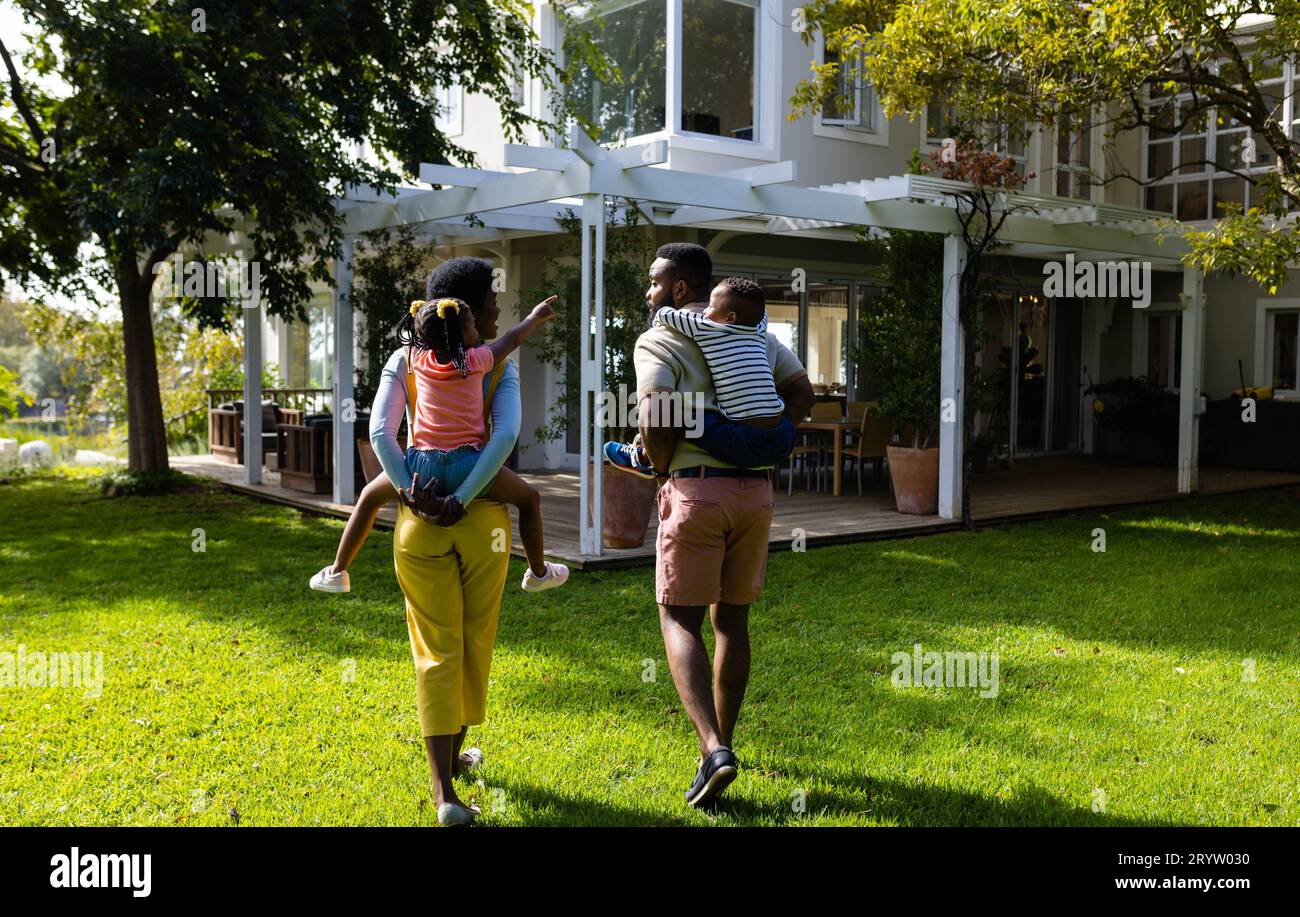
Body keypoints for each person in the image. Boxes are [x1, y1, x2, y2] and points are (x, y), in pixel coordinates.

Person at [338, 256, 547, 826]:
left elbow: (380, 433)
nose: (500, 309)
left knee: (435, 649)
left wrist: (410, 493)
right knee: (473, 642)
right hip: (484, 526)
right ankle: (451, 764)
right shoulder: (493, 360)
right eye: (493, 301)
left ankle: (444, 789)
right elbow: (503, 436)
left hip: (418, 522)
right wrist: (462, 498)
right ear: (473, 310)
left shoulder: (405, 356)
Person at [633, 243, 814, 808]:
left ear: (680, 289)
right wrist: (770, 436)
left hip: (697, 490)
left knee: (678, 617)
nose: (649, 292)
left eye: (655, 282)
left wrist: (660, 465)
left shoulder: (659, 338)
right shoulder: (758, 335)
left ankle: (714, 750)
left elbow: (655, 408)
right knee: (732, 621)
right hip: (756, 494)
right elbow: (802, 394)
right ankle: (722, 747)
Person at [309, 291, 567, 594]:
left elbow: (381, 432)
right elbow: (511, 340)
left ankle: (338, 571)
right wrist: (535, 316)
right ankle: (538, 573)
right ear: (459, 335)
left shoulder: (415, 360)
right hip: (466, 464)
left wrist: (408, 490)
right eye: (471, 326)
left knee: (367, 497)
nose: (476, 332)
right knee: (528, 498)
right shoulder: (477, 361)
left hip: (420, 466)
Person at [604, 276, 795, 477]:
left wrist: (660, 317)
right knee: (773, 399)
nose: (705, 311)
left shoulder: (708, 329)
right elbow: (804, 395)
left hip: (740, 438)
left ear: (730, 318)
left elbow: (666, 315)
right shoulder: (759, 330)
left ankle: (643, 456)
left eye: (711, 307)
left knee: (679, 418)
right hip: (781, 437)